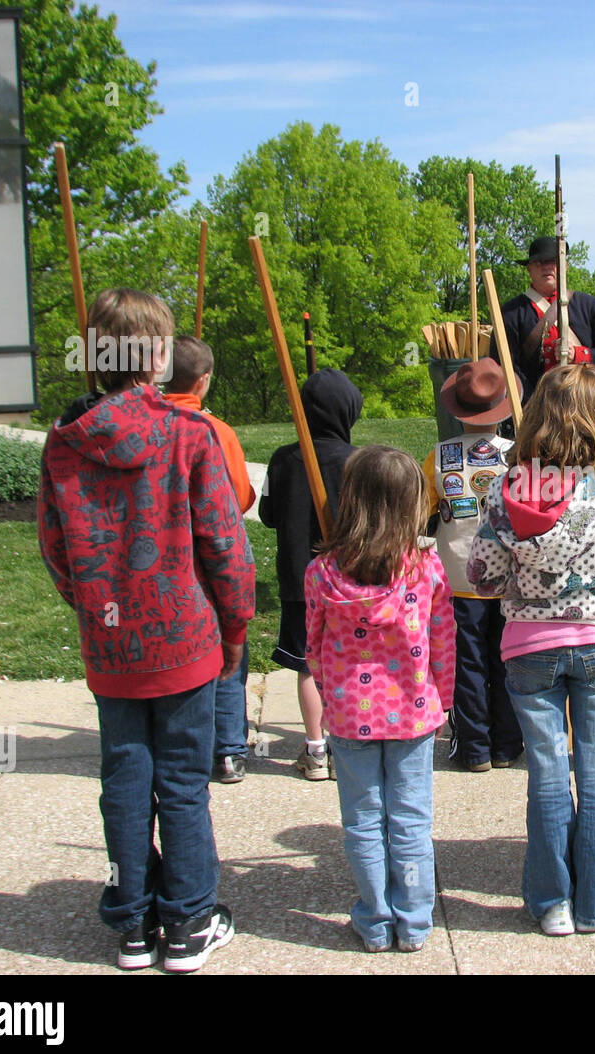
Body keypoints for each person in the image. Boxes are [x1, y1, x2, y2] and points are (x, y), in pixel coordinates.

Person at [38, 287, 255, 972]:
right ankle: (188, 919)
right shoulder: (188, 434)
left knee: (125, 776)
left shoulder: (64, 443)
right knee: (184, 782)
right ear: (159, 355)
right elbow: (225, 545)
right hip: (185, 638)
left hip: (112, 639)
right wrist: (235, 625)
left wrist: (93, 603)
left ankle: (133, 920)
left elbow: (55, 546)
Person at [467, 365, 595, 936]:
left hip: (529, 649)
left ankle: (552, 901)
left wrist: (519, 577)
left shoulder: (514, 489)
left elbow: (482, 576)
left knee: (549, 773)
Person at [305, 446, 455, 952]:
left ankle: (374, 920)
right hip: (414, 712)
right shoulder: (426, 570)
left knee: (363, 821)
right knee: (411, 819)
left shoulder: (323, 573)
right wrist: (446, 698)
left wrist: (328, 693)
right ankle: (412, 922)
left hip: (350, 715)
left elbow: (314, 646)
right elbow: (443, 642)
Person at [162, 336, 257, 784]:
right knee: (227, 648)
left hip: (164, 556)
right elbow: (238, 497)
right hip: (215, 550)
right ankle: (229, 748)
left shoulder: (147, 424)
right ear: (203, 382)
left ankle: (184, 744)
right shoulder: (217, 431)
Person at [259, 369, 362, 782]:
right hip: (348, 582)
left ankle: (315, 747)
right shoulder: (357, 462)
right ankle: (342, 747)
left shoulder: (285, 458)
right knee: (349, 661)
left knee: (308, 665)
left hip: (300, 581)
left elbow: (267, 515)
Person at [422, 359, 521, 772]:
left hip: (457, 578)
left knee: (467, 665)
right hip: (508, 579)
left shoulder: (437, 457)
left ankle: (474, 748)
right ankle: (505, 745)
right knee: (508, 662)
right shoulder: (517, 457)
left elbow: (421, 515)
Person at [494, 236, 595, 397]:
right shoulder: (511, 313)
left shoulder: (588, 305)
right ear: (529, 268)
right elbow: (504, 368)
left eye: (553, 262)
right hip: (536, 404)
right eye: (539, 262)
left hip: (587, 400)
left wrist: (577, 354)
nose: (547, 267)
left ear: (565, 266)